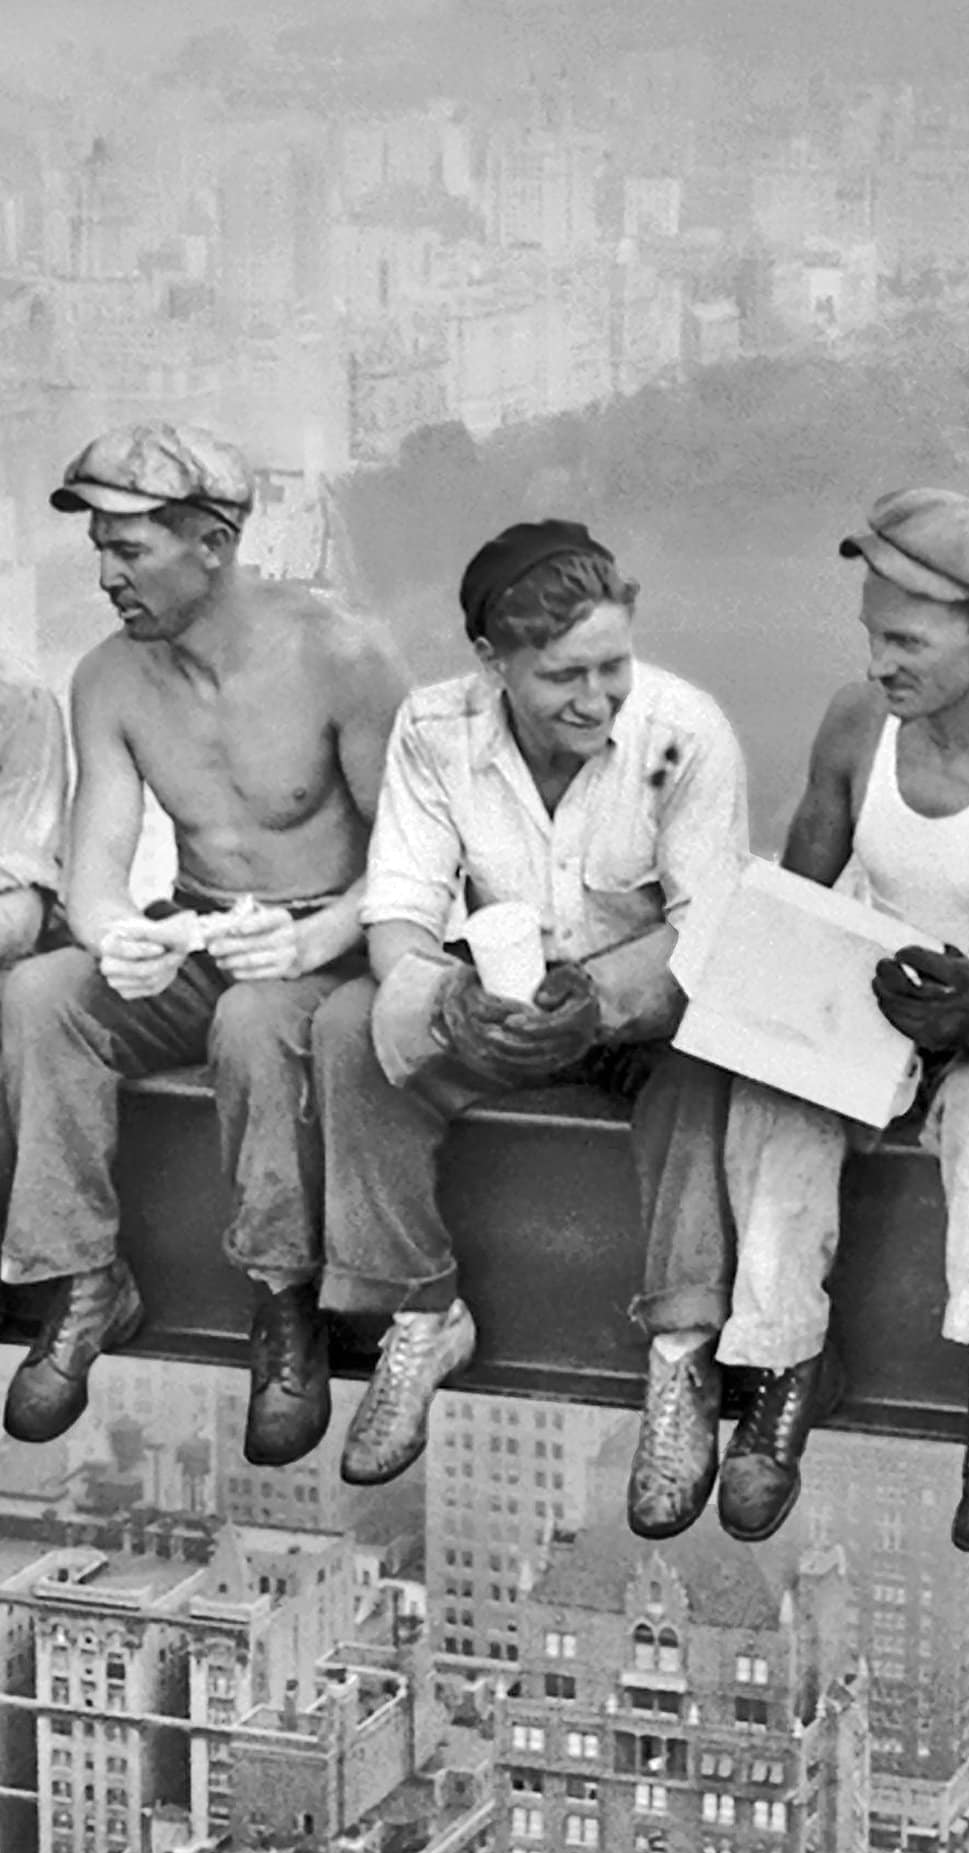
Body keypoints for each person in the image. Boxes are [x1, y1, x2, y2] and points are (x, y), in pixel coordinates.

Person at [311, 522, 746, 1535]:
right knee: (347, 1027)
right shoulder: (432, 730)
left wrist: (597, 1000)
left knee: (706, 1062)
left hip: (641, 1012)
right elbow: (400, 911)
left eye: (612, 666)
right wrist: (448, 999)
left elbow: (707, 930)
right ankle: (421, 1311)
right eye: (563, 675)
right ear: (491, 660)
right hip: (501, 1001)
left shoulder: (684, 732)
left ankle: (682, 1354)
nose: (596, 698)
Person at [1, 423, 407, 1465]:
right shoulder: (108, 677)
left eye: (129, 549)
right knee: (40, 995)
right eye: (100, 547)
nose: (106, 574)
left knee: (256, 1019)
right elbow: (97, 870)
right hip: (198, 924)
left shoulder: (344, 655)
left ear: (213, 543)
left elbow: (415, 860)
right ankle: (84, 1277)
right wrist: (118, 938)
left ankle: (283, 1301)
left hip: (329, 944)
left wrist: (313, 935)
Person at [710, 488, 969, 1551]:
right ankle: (783, 1359)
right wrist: (772, 1007)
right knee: (778, 1103)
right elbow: (798, 899)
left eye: (907, 643)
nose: (880, 663)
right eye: (871, 636)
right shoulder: (856, 723)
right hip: (871, 994)